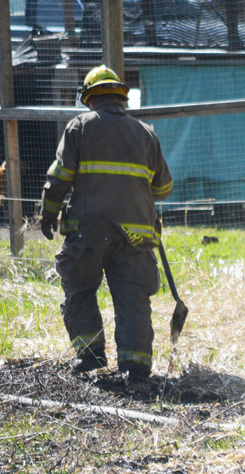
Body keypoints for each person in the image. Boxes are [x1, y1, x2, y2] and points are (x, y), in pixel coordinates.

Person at [39, 65, 173, 382]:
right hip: (135, 238)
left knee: (79, 289)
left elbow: (60, 177)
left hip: (88, 232)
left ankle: (89, 354)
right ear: (121, 98)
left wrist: (49, 212)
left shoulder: (79, 127)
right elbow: (164, 189)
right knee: (133, 299)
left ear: (90, 98)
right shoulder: (146, 133)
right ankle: (135, 367)